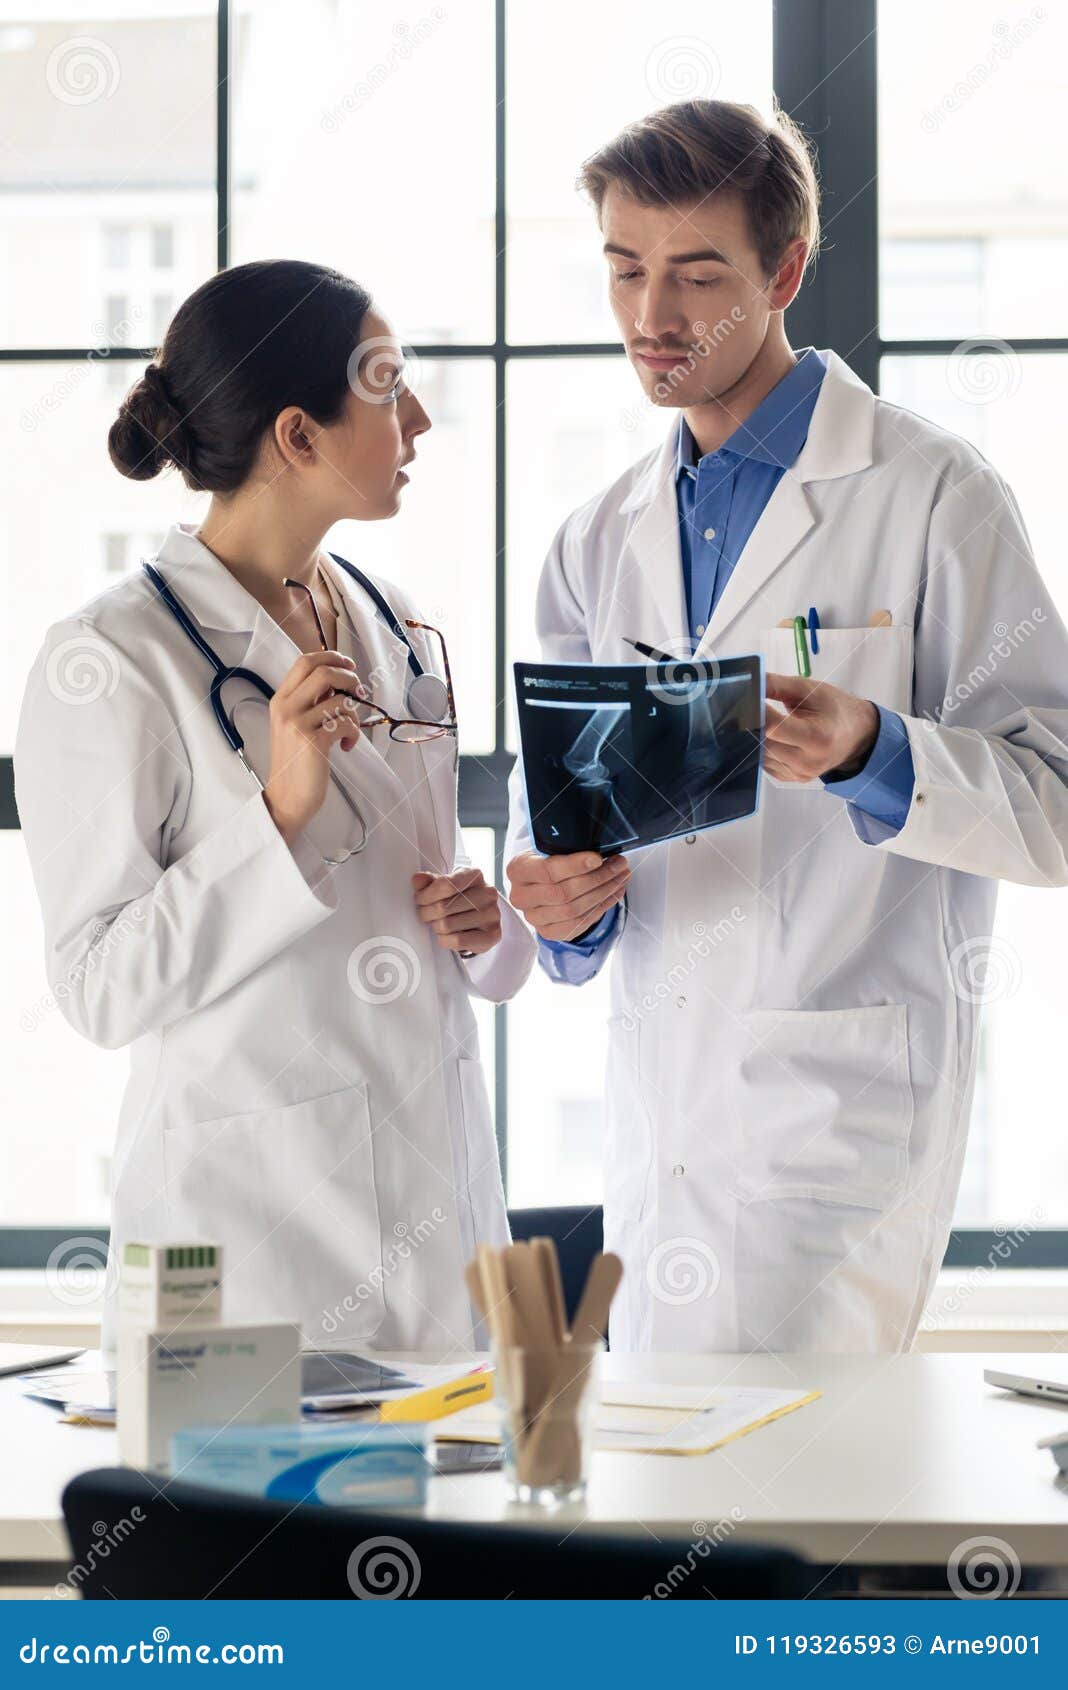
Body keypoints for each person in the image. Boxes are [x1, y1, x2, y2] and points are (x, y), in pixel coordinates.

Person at [505, 101, 1068, 1353]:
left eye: (697, 275)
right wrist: (562, 908)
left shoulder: (933, 493)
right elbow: (569, 833)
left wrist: (876, 747)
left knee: (786, 1514)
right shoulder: (597, 537)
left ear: (786, 272)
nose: (652, 317)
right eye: (624, 268)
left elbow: (1055, 806)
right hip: (659, 1124)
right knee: (666, 1507)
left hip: (835, 1119)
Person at [16, 259, 534, 1354]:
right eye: (390, 386)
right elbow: (100, 989)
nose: (422, 417)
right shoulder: (111, 659)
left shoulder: (394, 617)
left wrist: (486, 935)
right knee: (253, 1527)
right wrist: (279, 817)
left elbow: (422, 915)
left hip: (440, 1227)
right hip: (253, 1242)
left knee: (454, 1521)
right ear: (297, 437)